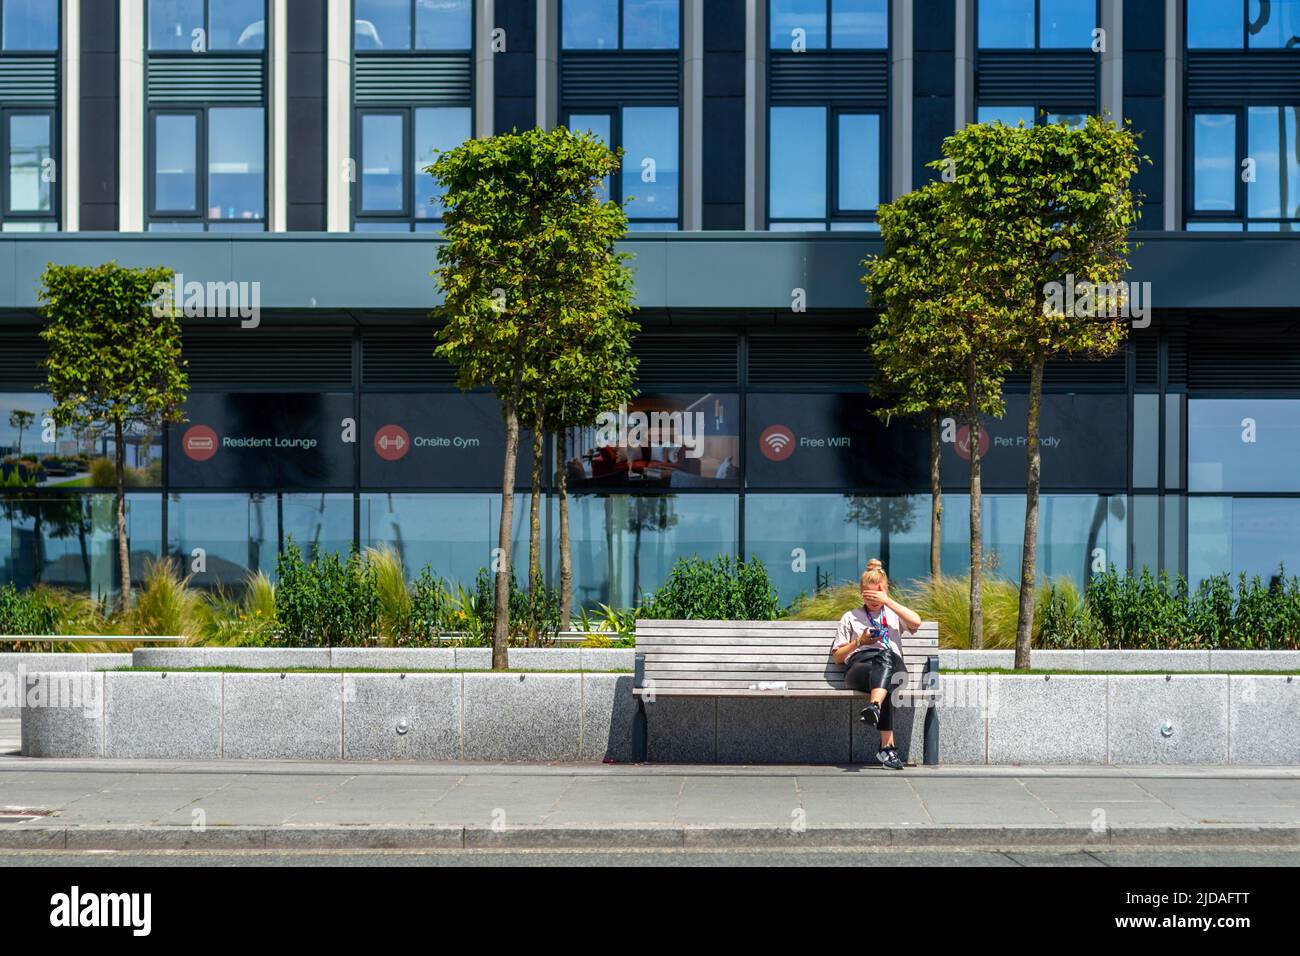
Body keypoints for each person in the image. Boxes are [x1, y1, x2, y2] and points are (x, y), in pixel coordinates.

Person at [831, 559, 923, 770]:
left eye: (876, 595)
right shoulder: (851, 617)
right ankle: (886, 747)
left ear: (884, 591)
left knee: (886, 658)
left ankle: (874, 708)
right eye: (868, 595)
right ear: (861, 592)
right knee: (885, 680)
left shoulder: (893, 614)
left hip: (893, 664)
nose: (872, 601)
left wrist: (888, 601)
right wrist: (860, 642)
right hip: (860, 667)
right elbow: (837, 657)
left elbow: (916, 622)